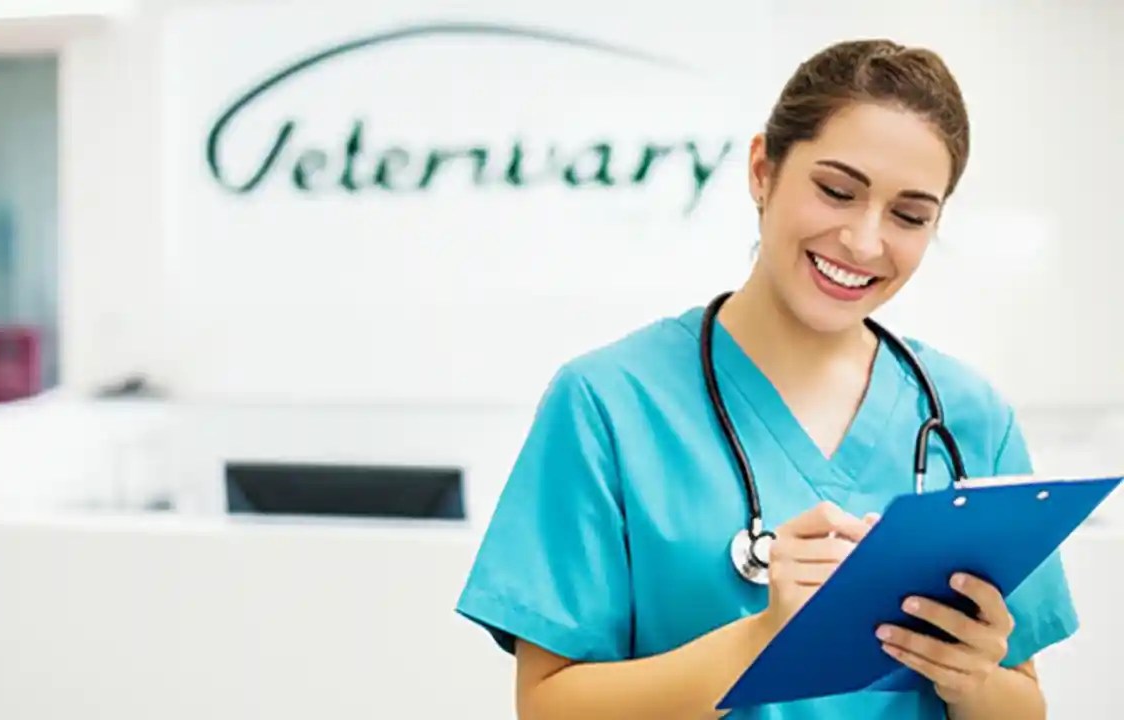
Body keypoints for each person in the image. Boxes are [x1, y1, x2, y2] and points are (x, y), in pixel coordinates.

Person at [454, 38, 1077, 719]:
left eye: (909, 216)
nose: (865, 241)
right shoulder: (608, 404)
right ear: (762, 170)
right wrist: (760, 639)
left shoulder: (971, 418)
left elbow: (1024, 702)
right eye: (836, 191)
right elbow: (548, 706)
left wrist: (973, 679)